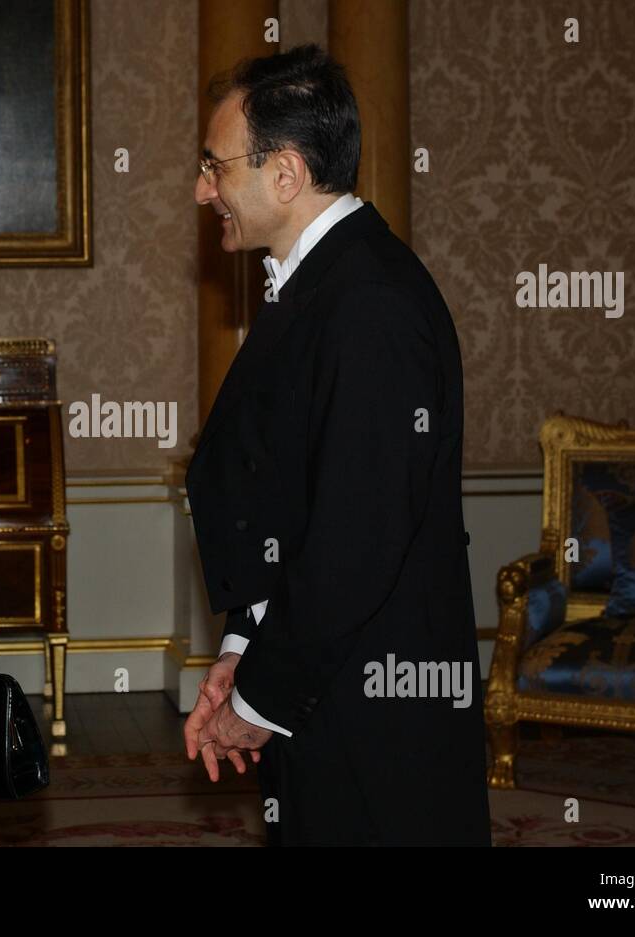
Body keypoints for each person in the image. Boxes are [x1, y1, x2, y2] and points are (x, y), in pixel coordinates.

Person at [182, 45, 491, 846]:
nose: (201, 189)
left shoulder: (371, 304)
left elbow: (355, 544)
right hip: (328, 687)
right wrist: (244, 648)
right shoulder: (320, 285)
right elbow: (291, 501)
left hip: (376, 712)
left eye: (215, 167)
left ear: (284, 174)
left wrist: (258, 701)